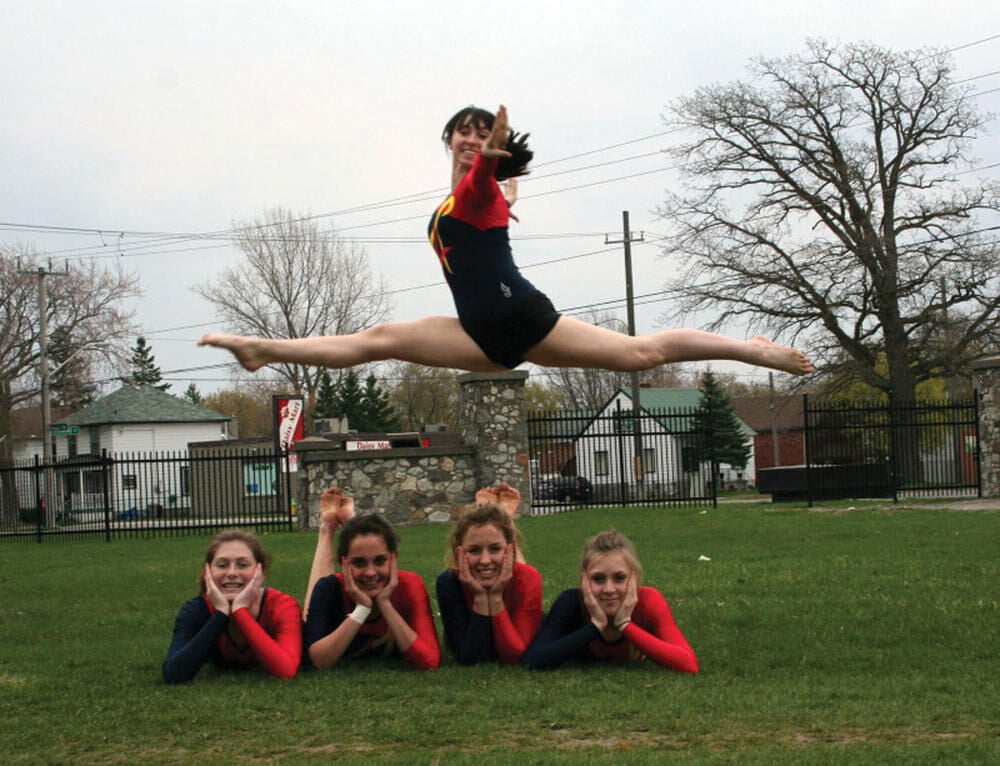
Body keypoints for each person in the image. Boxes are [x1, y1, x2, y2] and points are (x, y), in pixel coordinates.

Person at [198, 104, 813, 377]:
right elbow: (495, 191)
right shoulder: (457, 198)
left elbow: (489, 185)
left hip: (519, 316)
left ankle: (752, 351)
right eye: (462, 134)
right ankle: (262, 349)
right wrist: (498, 169)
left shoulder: (479, 190)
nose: (470, 141)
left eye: (479, 135)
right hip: (478, 333)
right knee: (376, 340)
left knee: (642, 354)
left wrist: (494, 160)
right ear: (447, 140)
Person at [302, 487, 440, 670]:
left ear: (394, 558)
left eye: (380, 560)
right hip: (338, 587)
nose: (370, 572)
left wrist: (385, 603)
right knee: (309, 612)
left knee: (365, 549)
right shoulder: (329, 587)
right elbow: (318, 661)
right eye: (359, 563)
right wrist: (362, 609)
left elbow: (429, 661)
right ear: (344, 565)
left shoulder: (410, 585)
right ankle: (327, 527)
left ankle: (351, 521)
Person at [522, 529, 698, 672]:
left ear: (633, 578)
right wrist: (595, 626)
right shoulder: (570, 602)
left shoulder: (648, 601)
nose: (608, 589)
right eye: (598, 579)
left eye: (619, 578)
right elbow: (532, 660)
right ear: (584, 579)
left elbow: (688, 663)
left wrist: (625, 625)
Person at [162, 529, 302, 684]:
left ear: (260, 572)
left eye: (243, 565)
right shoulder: (196, 610)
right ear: (207, 571)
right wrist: (221, 613)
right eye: (222, 565)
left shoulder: (282, 606)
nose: (232, 573)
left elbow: (286, 671)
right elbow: (173, 674)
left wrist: (240, 611)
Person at [436, 482, 543, 664]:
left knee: (520, 573)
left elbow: (516, 655)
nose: (485, 560)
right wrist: (479, 596)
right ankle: (501, 519)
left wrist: (494, 597)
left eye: (494, 549)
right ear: (459, 552)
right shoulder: (448, 582)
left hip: (516, 581)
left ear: (510, 550)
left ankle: (504, 519)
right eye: (474, 550)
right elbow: (469, 657)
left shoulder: (529, 578)